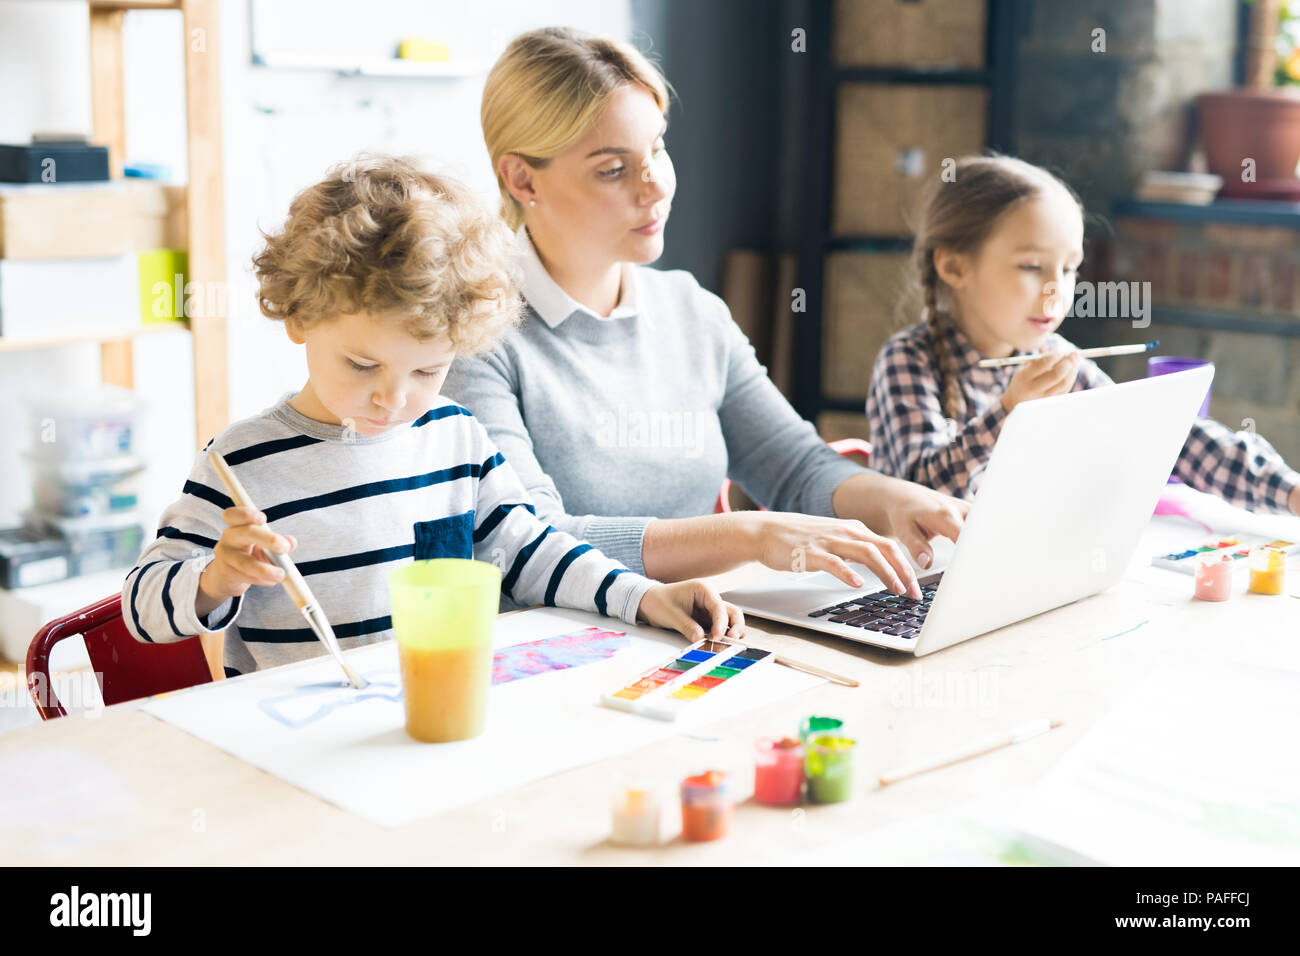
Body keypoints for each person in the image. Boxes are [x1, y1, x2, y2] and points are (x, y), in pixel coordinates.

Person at [121, 155, 744, 677]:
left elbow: (531, 554)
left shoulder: (454, 438)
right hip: (302, 743)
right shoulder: (240, 464)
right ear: (299, 317)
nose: (392, 399)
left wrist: (644, 597)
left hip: (432, 719)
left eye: (426, 371)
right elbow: (139, 610)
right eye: (363, 366)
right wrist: (213, 579)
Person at [444, 27, 968, 602]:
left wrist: (896, 498)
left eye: (658, 149)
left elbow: (794, 467)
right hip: (562, 656)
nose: (656, 187)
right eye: (612, 169)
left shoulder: (691, 311)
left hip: (699, 635)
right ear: (522, 178)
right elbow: (534, 543)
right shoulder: (475, 338)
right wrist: (752, 534)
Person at [867, 153, 1300, 515]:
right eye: (1031, 266)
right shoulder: (908, 359)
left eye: (1070, 268)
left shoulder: (1055, 358)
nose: (1057, 289)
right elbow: (919, 496)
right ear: (954, 267)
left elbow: (1164, 437)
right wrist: (1008, 412)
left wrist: (1289, 492)